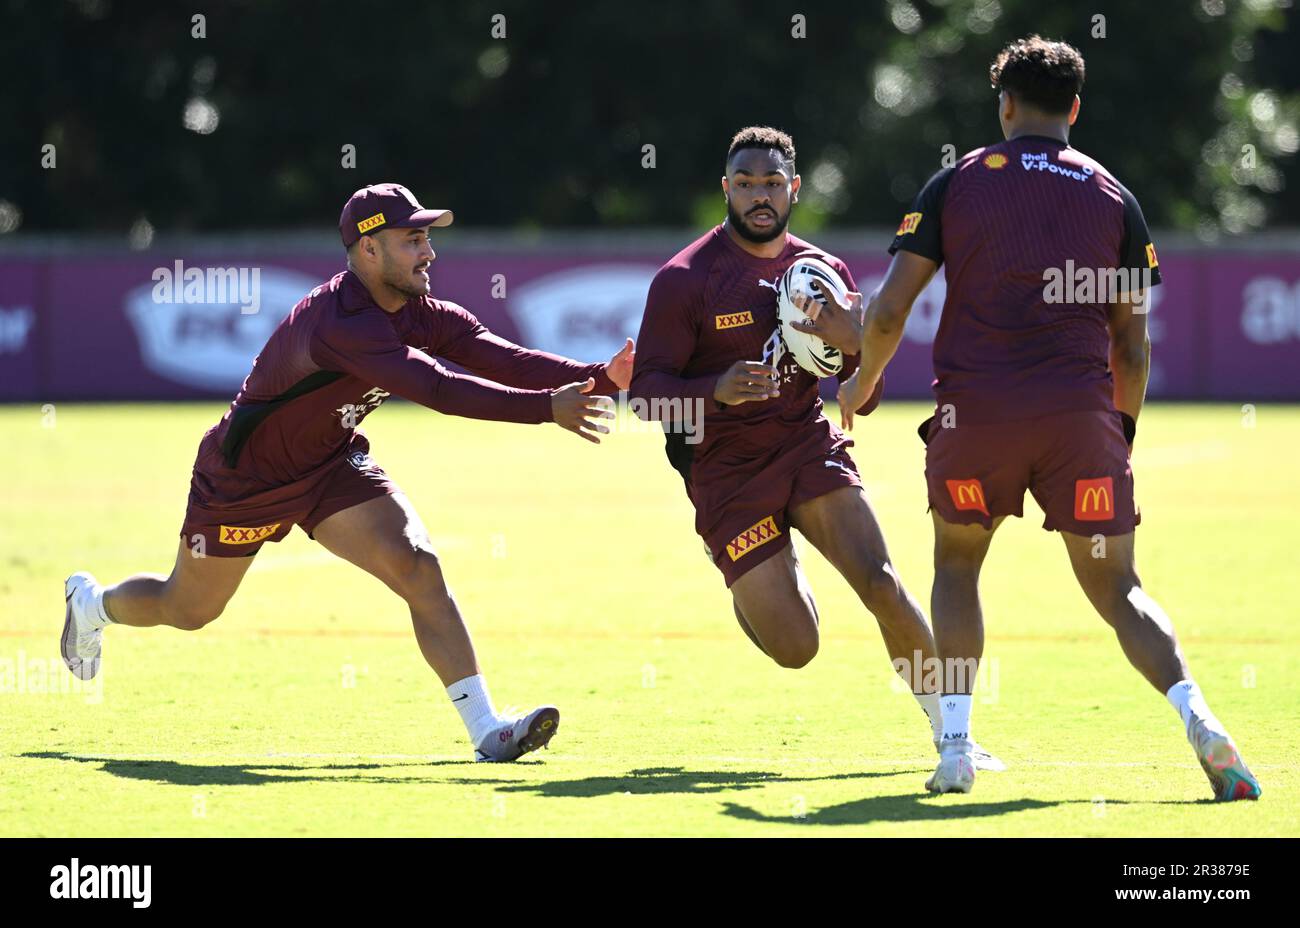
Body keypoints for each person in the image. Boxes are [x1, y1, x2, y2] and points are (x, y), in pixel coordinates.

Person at [61, 183, 634, 763]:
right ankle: (93, 604)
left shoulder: (414, 309)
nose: (428, 252)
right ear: (368, 250)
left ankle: (487, 730)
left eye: (427, 237)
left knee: (418, 566)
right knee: (188, 610)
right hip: (245, 482)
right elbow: (436, 387)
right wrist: (544, 409)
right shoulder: (343, 324)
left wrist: (601, 376)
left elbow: (493, 353)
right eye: (413, 239)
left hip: (330, 465)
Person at [831, 37, 1260, 799]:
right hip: (1078, 419)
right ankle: (1199, 717)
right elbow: (1131, 346)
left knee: (957, 567)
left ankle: (956, 746)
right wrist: (1118, 435)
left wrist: (863, 380)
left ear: (1004, 104)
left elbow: (890, 307)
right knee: (1120, 588)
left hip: (978, 416)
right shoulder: (1112, 195)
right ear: (1075, 108)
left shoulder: (956, 183)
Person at [631, 126, 1002, 767]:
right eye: (745, 184)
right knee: (796, 647)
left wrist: (857, 344)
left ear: (794, 188)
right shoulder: (684, 280)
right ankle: (750, 571)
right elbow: (644, 397)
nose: (759, 196)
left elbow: (863, 394)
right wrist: (715, 389)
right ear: (726, 189)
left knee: (882, 582)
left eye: (772, 183)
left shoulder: (820, 272)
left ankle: (954, 737)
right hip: (726, 473)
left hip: (807, 445)